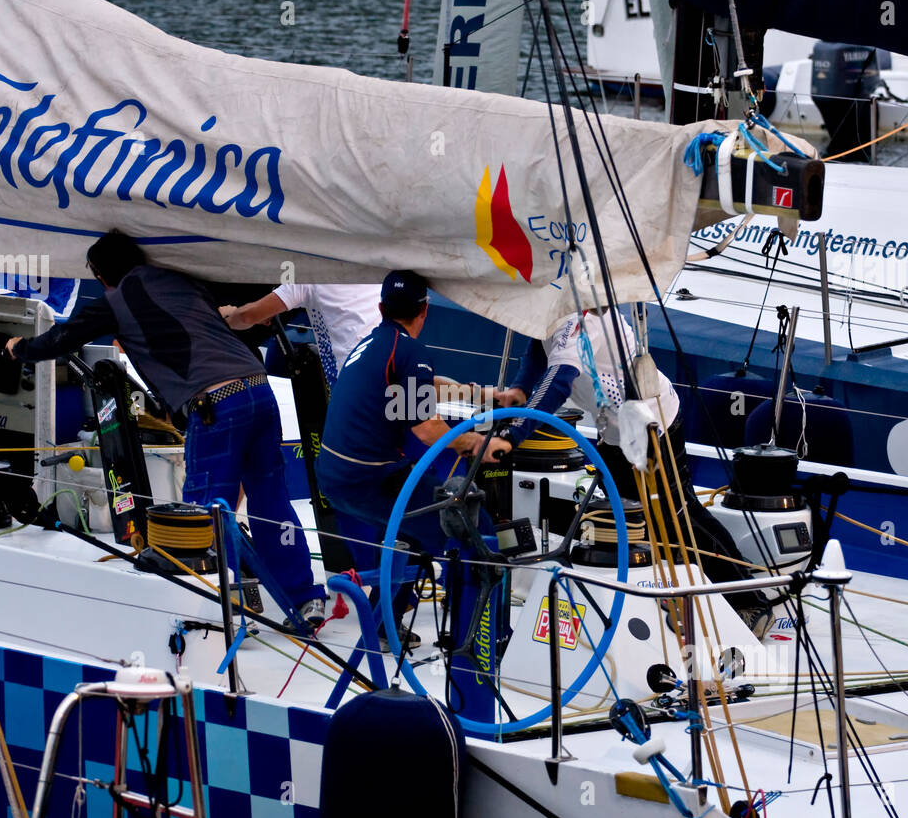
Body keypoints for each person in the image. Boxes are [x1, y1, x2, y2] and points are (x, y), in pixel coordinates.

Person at [6, 229, 327, 630]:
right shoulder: (184, 282)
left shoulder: (113, 300)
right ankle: (305, 600)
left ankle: (205, 618)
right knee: (271, 500)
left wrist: (20, 347)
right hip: (259, 390)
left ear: (101, 275)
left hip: (215, 404)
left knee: (197, 516)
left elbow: (60, 339)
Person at [492, 308, 773, 638]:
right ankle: (682, 589)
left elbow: (559, 378)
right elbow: (539, 351)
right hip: (616, 431)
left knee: (679, 516)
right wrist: (520, 389)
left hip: (652, 423)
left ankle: (750, 601)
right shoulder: (549, 308)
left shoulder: (580, 314)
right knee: (642, 519)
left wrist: (514, 435)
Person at [317, 270, 510, 644]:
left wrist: (484, 395)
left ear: (381, 308)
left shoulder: (373, 345)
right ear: (425, 311)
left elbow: (413, 388)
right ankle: (480, 639)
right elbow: (425, 427)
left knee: (414, 535)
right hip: (370, 480)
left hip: (335, 476)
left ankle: (383, 627)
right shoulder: (411, 352)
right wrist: (477, 444)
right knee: (474, 528)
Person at [219, 282, 381, 387]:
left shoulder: (310, 278)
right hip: (393, 373)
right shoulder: (376, 271)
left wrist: (229, 314)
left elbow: (247, 316)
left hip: (352, 384)